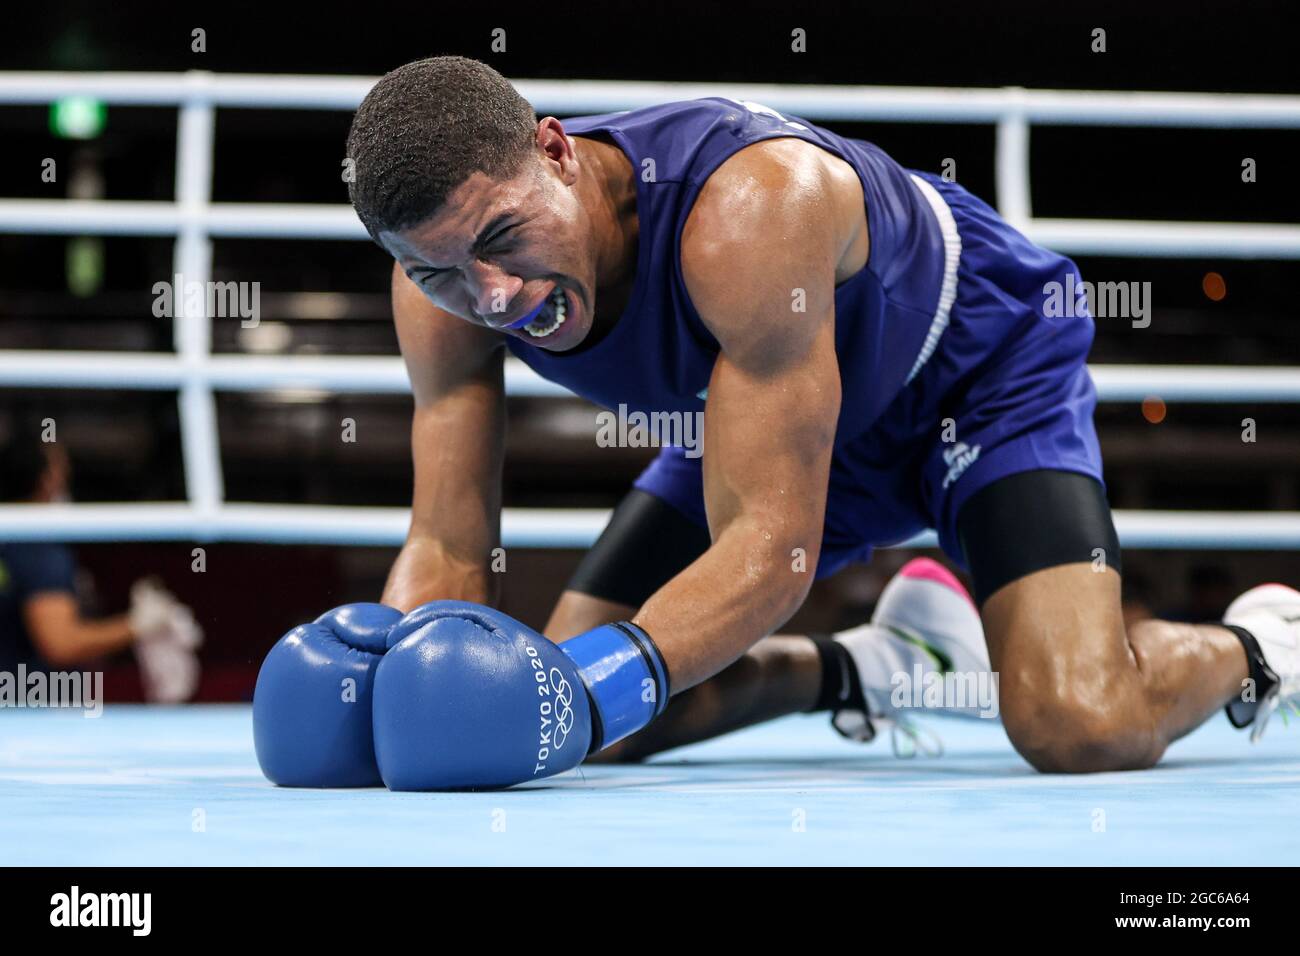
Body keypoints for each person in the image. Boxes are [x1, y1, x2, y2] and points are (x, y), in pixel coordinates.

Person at [259, 56, 1297, 789]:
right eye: (437, 267)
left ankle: (1253, 644)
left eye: (502, 235)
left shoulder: (746, 211)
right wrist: (390, 669)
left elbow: (776, 545)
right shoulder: (439, 296)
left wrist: (600, 679)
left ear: (556, 151)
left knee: (1078, 721)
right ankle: (871, 666)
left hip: (969, 381)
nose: (488, 293)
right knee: (572, 727)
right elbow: (447, 536)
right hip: (756, 421)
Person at [0, 417, 202, 702]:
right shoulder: (37, 549)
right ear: (47, 479)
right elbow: (60, 643)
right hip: (29, 711)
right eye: (60, 466)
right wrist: (135, 625)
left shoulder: (13, 542)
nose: (66, 473)